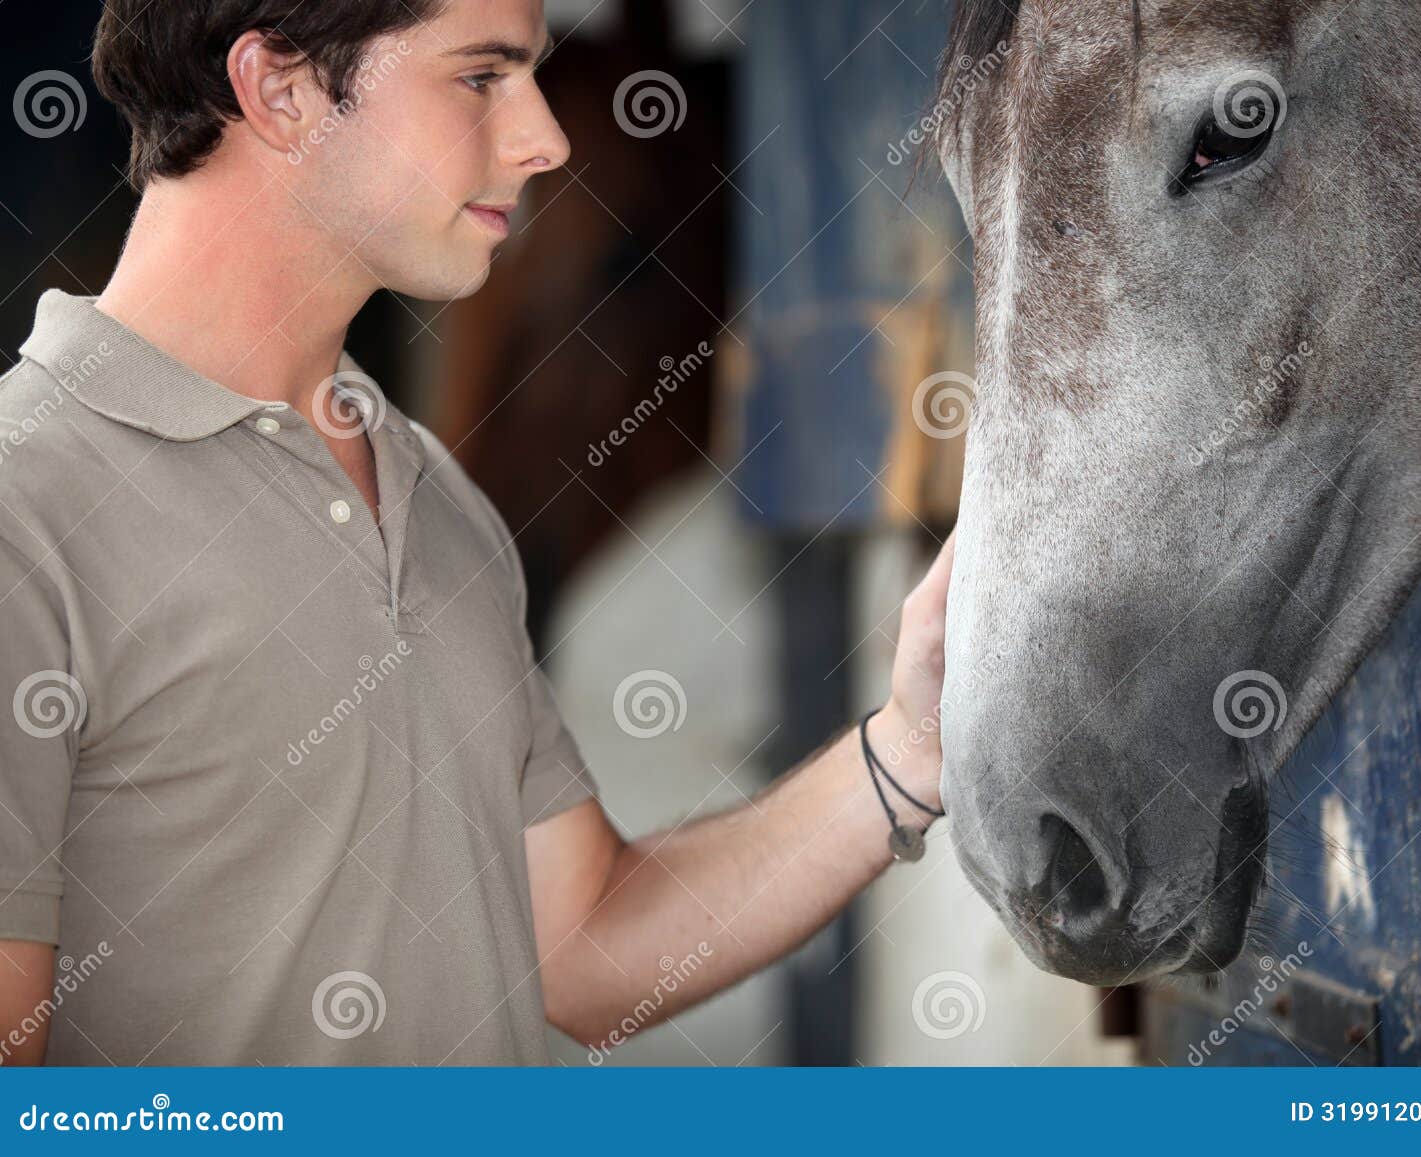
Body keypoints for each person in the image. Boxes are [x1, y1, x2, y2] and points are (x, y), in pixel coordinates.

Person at [0, 0, 952, 1065]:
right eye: (480, 77)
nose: (545, 138)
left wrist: (910, 746)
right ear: (282, 90)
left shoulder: (434, 493)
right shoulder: (24, 507)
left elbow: (583, 944)